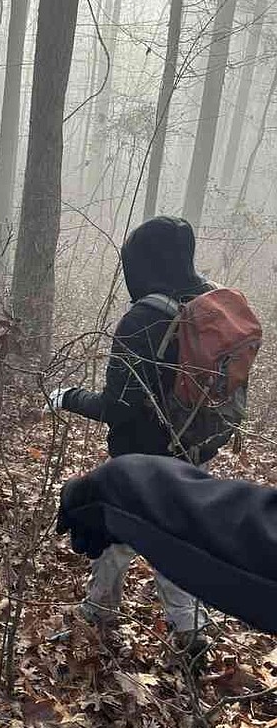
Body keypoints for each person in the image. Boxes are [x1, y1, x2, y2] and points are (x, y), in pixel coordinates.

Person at [48, 217, 219, 655]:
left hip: (141, 460)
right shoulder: (209, 307)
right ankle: (102, 609)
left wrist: (67, 397)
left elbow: (116, 406)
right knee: (126, 532)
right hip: (192, 451)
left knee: (155, 539)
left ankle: (189, 632)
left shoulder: (143, 319)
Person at [57, 454, 277, 636]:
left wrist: (121, 488)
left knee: (117, 555)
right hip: (180, 467)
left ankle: (100, 609)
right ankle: (189, 626)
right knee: (166, 560)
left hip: (146, 474)